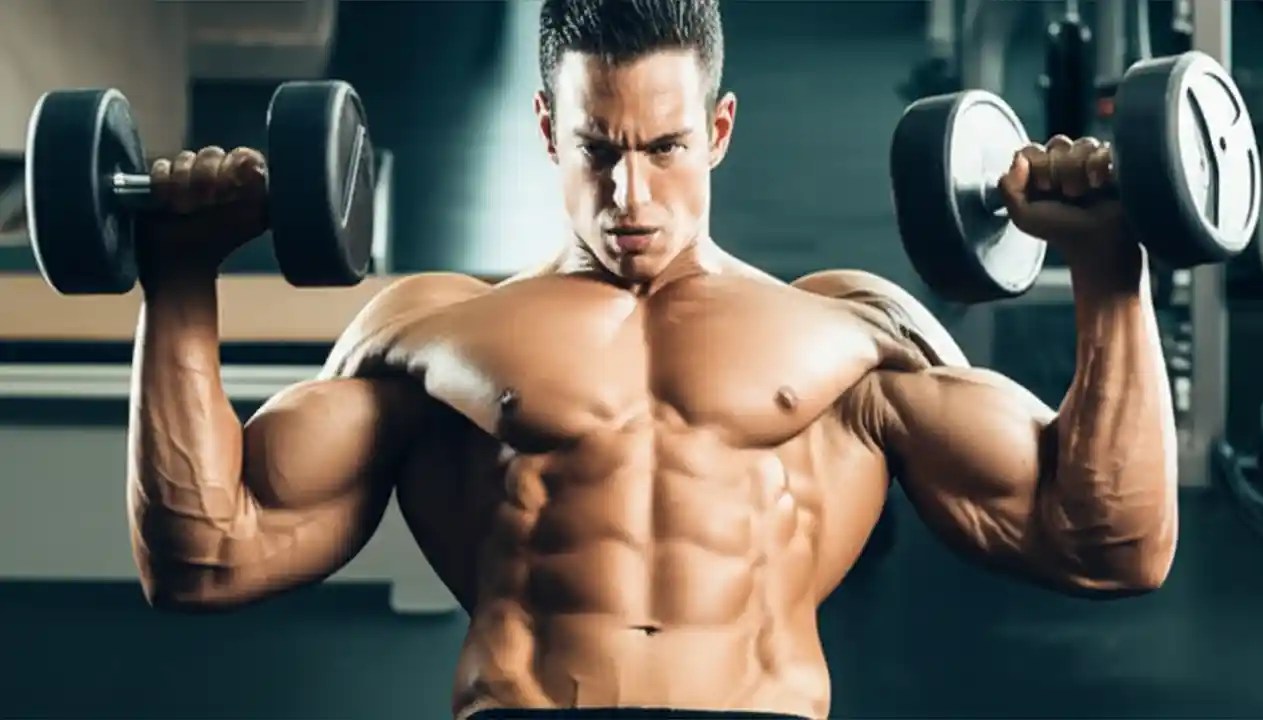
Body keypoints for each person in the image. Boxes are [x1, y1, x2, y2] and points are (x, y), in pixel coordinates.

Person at [124, 1, 1177, 718]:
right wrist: (177, 280)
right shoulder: (431, 335)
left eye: (664, 148)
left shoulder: (850, 337)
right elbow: (208, 555)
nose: (629, 197)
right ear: (546, 128)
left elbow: (1103, 545)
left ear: (716, 129)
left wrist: (1104, 266)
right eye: (597, 150)